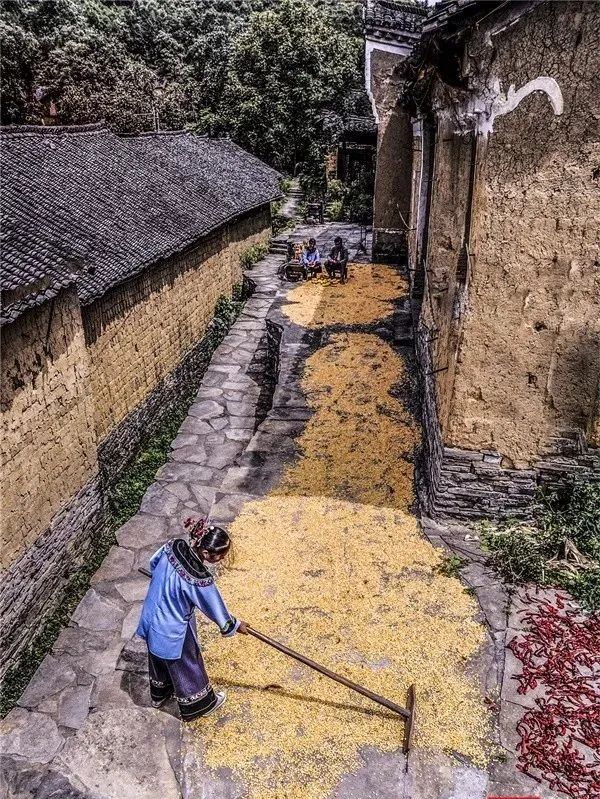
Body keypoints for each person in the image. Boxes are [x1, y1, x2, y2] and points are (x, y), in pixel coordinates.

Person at [136, 517, 248, 721]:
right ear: (205, 552)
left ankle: (159, 695)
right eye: (220, 555)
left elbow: (154, 563)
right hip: (172, 626)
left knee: (157, 656)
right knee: (186, 662)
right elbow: (215, 608)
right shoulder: (198, 577)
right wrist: (235, 625)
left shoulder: (173, 546)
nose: (222, 559)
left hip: (151, 614)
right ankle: (200, 705)